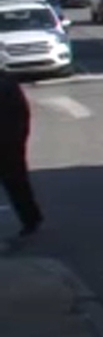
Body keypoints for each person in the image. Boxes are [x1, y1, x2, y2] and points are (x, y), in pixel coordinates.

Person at [0, 65, 42, 241]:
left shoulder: (4, 86)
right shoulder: (8, 83)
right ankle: (31, 218)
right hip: (13, 141)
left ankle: (31, 218)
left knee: (16, 183)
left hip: (6, 142)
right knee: (18, 183)